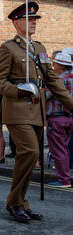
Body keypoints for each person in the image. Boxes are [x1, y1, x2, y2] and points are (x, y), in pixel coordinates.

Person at [0, 1, 73, 223]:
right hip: (17, 109)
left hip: (37, 111)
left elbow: (54, 81)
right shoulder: (8, 48)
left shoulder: (40, 49)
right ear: (16, 22)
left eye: (35, 19)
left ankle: (20, 203)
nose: (34, 23)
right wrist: (19, 90)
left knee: (29, 158)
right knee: (30, 152)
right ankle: (14, 202)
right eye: (29, 19)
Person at [45, 52, 73, 188]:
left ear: (60, 66)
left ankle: (64, 180)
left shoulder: (58, 80)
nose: (53, 66)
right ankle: (65, 176)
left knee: (58, 150)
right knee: (65, 149)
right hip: (69, 117)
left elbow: (45, 95)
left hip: (56, 118)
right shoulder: (72, 78)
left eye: (54, 64)